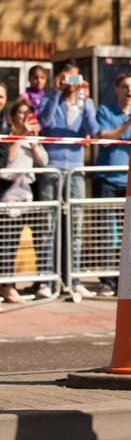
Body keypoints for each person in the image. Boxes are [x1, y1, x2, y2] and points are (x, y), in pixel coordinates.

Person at [38, 61, 99, 298]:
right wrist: (55, 92)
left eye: (74, 78)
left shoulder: (85, 102)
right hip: (52, 169)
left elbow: (93, 129)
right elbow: (45, 123)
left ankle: (74, 279)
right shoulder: (49, 98)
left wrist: (87, 100)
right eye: (66, 78)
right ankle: (46, 280)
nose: (70, 83)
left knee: (76, 227)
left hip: (75, 170)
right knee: (48, 226)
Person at [93, 73, 131, 296]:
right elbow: (107, 138)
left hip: (130, 181)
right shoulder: (106, 111)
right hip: (107, 180)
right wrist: (130, 121)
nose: (129, 91)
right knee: (107, 232)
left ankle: (129, 279)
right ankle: (108, 280)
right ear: (117, 89)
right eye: (125, 86)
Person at [0, 99, 47, 304]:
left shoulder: (31, 138)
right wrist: (19, 137)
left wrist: (33, 142)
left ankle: (11, 285)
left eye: (27, 113)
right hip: (7, 196)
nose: (24, 117)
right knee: (5, 244)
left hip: (25, 198)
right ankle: (7, 286)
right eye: (20, 113)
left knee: (15, 244)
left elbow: (43, 161)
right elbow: (7, 160)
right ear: (12, 117)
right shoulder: (7, 136)